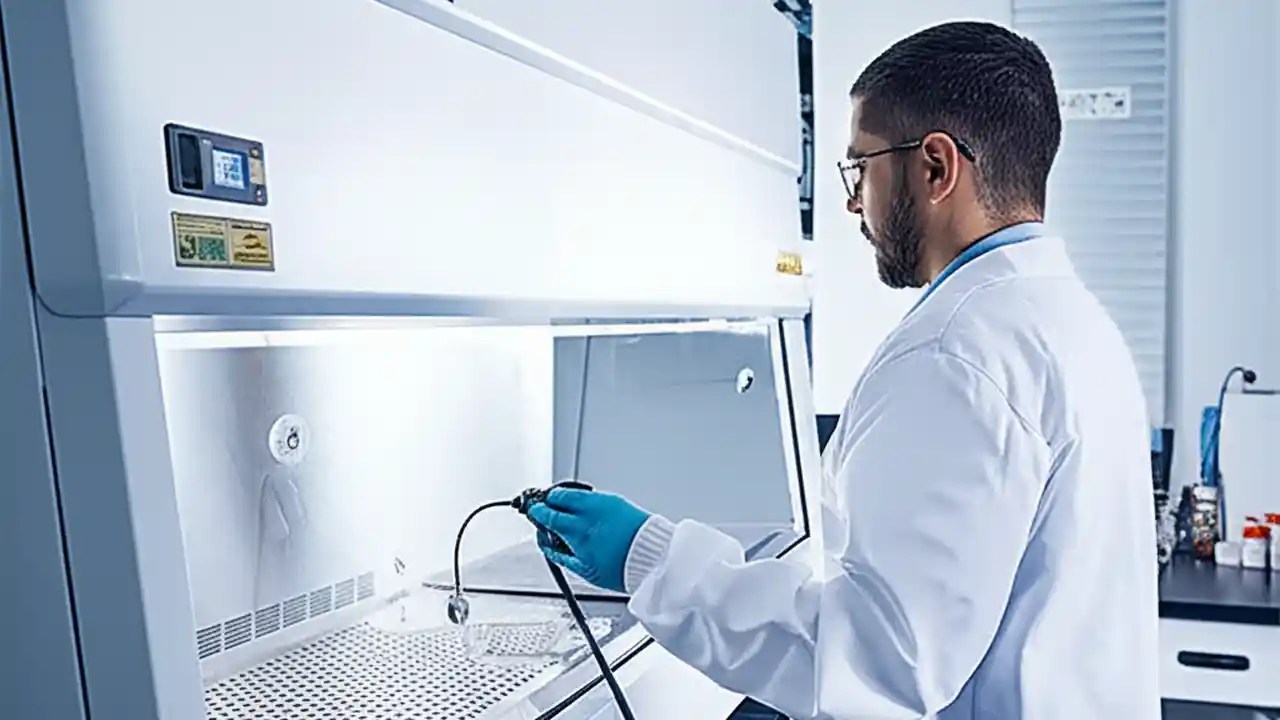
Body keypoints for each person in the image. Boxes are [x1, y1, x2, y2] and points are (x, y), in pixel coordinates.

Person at [529, 20, 1159, 720]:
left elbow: (880, 663)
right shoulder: (1068, 318)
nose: (852, 202)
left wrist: (647, 558)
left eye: (860, 167)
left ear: (935, 167)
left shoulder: (956, 355)